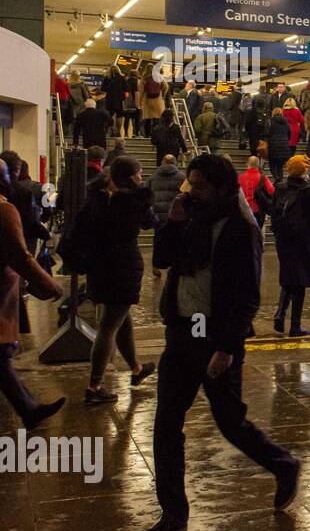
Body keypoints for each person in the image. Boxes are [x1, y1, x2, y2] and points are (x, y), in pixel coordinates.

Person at [139, 153, 300, 531]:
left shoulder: (239, 227)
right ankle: (173, 515)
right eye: (189, 183)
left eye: (199, 185)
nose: (191, 190)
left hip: (214, 338)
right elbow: (162, 259)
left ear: (222, 187)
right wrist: (172, 223)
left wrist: (228, 347)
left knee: (230, 422)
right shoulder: (191, 215)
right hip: (181, 331)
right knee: (166, 424)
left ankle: (283, 464)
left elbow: (247, 294)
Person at [79, 156, 158, 405]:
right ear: (132, 176)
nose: (141, 176)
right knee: (108, 326)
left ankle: (136, 368)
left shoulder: (98, 198)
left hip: (99, 266)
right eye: (139, 172)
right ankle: (95, 386)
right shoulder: (134, 201)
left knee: (121, 318)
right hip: (123, 266)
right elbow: (152, 223)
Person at [0, 158, 65, 431]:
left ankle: (28, 409)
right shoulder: (4, 210)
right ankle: (29, 409)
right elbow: (20, 256)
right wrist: (50, 284)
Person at [270, 155, 310, 336]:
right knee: (300, 282)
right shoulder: (309, 191)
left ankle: (280, 314)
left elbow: (274, 214)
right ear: (304, 171)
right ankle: (295, 325)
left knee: (289, 277)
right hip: (303, 241)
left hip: (284, 240)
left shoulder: (279, 188)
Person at [237, 155, 274, 230]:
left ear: (248, 164)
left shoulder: (240, 177)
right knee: (257, 232)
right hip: (258, 210)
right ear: (258, 165)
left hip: (243, 210)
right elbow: (272, 191)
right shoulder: (262, 178)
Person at [148, 154, 184, 224]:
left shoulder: (152, 178)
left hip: (158, 215)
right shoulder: (183, 177)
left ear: (162, 162)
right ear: (175, 163)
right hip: (176, 215)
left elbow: (146, 196)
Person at [138, 70, 168, 139]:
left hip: (147, 100)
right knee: (157, 119)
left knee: (147, 119)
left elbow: (141, 90)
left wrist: (140, 101)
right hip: (158, 101)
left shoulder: (144, 78)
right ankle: (156, 135)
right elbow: (166, 87)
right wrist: (162, 95)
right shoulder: (159, 77)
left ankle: (147, 135)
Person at [267, 106, 293, 184]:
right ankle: (280, 180)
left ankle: (276, 177)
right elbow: (289, 134)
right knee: (280, 166)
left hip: (273, 145)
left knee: (272, 165)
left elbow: (268, 133)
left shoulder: (270, 122)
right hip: (284, 146)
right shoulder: (286, 122)